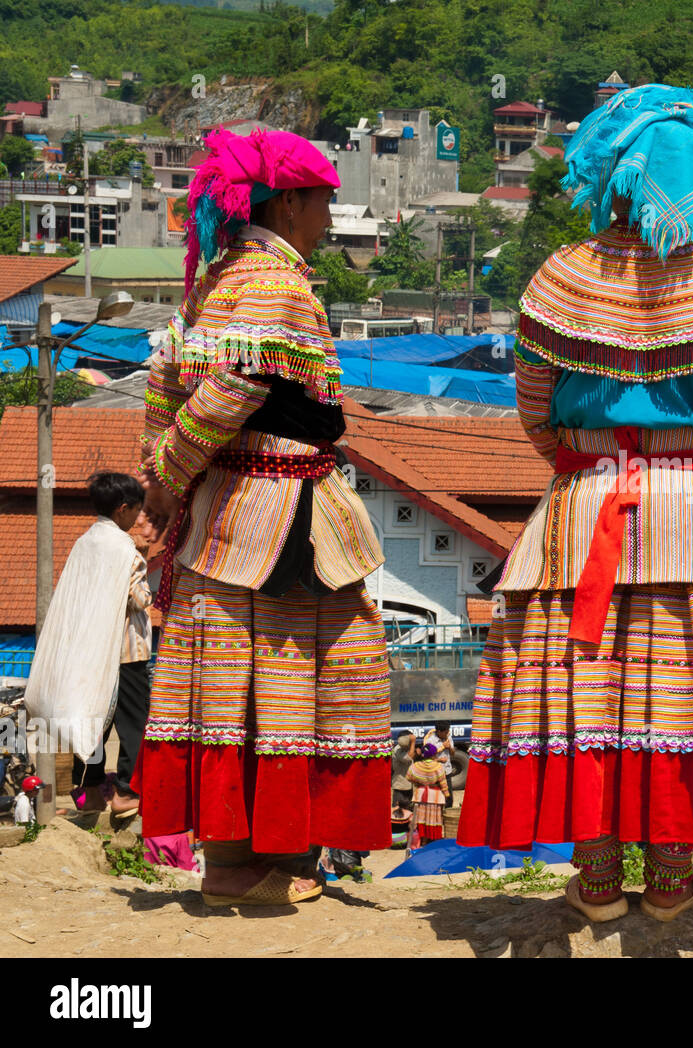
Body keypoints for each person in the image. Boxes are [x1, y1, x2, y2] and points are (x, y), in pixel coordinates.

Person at [456, 84, 693, 923]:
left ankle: (599, 868)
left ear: (609, 176)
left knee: (590, 685)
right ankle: (674, 868)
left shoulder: (557, 280)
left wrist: (588, 467)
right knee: (682, 686)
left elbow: (536, 411)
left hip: (582, 507)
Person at [131, 127, 391, 908]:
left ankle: (242, 862)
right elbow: (230, 390)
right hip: (277, 512)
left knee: (225, 683)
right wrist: (167, 480)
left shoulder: (219, 277)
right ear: (287, 202)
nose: (330, 214)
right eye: (324, 199)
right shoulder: (274, 284)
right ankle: (266, 864)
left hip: (226, 511)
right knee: (295, 678)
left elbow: (164, 386)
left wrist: (165, 472)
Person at [26, 472, 151, 820]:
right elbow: (139, 600)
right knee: (135, 720)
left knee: (96, 718)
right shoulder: (126, 549)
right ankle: (127, 791)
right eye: (137, 511)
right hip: (126, 652)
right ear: (124, 509)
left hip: (89, 651)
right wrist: (145, 556)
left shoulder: (85, 542)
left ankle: (92, 791)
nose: (139, 519)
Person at [408, 729, 451, 849]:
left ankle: (422, 841)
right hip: (435, 796)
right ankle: (432, 842)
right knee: (432, 819)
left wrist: (418, 783)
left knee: (421, 818)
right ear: (434, 754)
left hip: (420, 795)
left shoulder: (416, 766)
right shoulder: (438, 767)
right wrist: (447, 795)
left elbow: (409, 777)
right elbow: (443, 783)